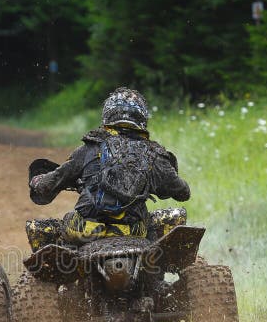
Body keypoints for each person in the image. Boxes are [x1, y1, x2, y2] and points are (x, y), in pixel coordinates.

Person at [28, 87, 189, 244]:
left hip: (87, 230)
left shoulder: (89, 148)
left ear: (107, 116)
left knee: (48, 228)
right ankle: (155, 266)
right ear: (142, 119)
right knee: (168, 219)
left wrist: (36, 181)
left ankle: (61, 267)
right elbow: (183, 193)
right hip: (133, 232)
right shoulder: (155, 153)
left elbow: (47, 185)